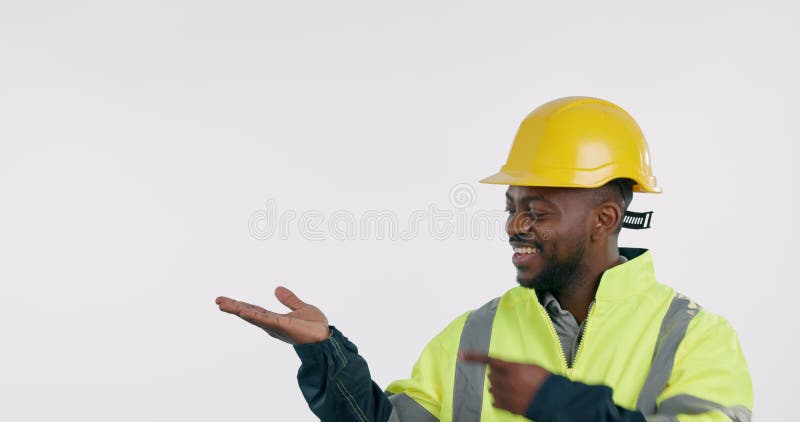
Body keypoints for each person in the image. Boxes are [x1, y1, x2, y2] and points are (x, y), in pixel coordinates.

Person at [216, 97, 753, 421]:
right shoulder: (475, 333)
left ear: (605, 218)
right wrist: (329, 357)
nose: (515, 225)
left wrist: (556, 403)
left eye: (537, 211)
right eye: (512, 207)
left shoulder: (694, 339)